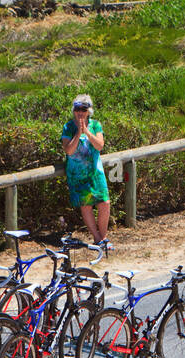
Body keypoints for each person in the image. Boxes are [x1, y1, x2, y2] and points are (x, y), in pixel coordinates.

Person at [61, 94, 111, 252]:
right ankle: (97, 238)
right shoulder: (68, 127)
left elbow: (100, 145)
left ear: (89, 111)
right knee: (86, 205)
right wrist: (78, 133)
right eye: (77, 109)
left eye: (83, 109)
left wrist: (87, 132)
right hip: (78, 174)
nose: (80, 112)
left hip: (95, 172)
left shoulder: (96, 125)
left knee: (104, 203)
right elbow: (69, 150)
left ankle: (103, 238)